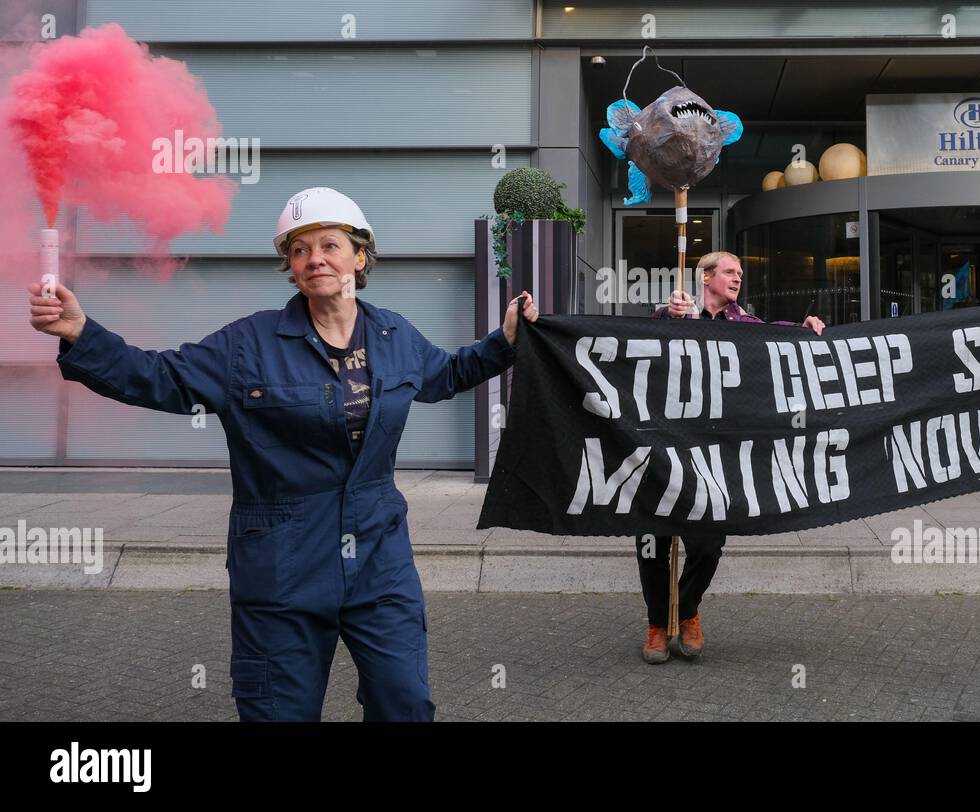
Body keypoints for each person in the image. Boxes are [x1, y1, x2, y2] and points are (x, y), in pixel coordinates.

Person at [28, 186, 537, 720]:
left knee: (405, 703)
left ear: (359, 256)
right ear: (290, 267)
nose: (315, 258)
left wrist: (503, 341)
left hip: (379, 559)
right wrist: (82, 334)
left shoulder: (394, 336)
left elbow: (447, 374)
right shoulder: (249, 345)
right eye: (299, 250)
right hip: (281, 567)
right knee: (279, 713)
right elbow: (158, 376)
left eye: (330, 245)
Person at [637, 250, 826, 664]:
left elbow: (773, 337)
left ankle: (686, 611)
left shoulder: (744, 324)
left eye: (740, 273)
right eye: (729, 271)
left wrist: (803, 329)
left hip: (712, 458)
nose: (738, 278)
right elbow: (641, 344)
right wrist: (668, 316)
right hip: (663, 450)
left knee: (708, 545)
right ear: (706, 277)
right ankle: (657, 625)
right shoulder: (676, 315)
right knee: (652, 542)